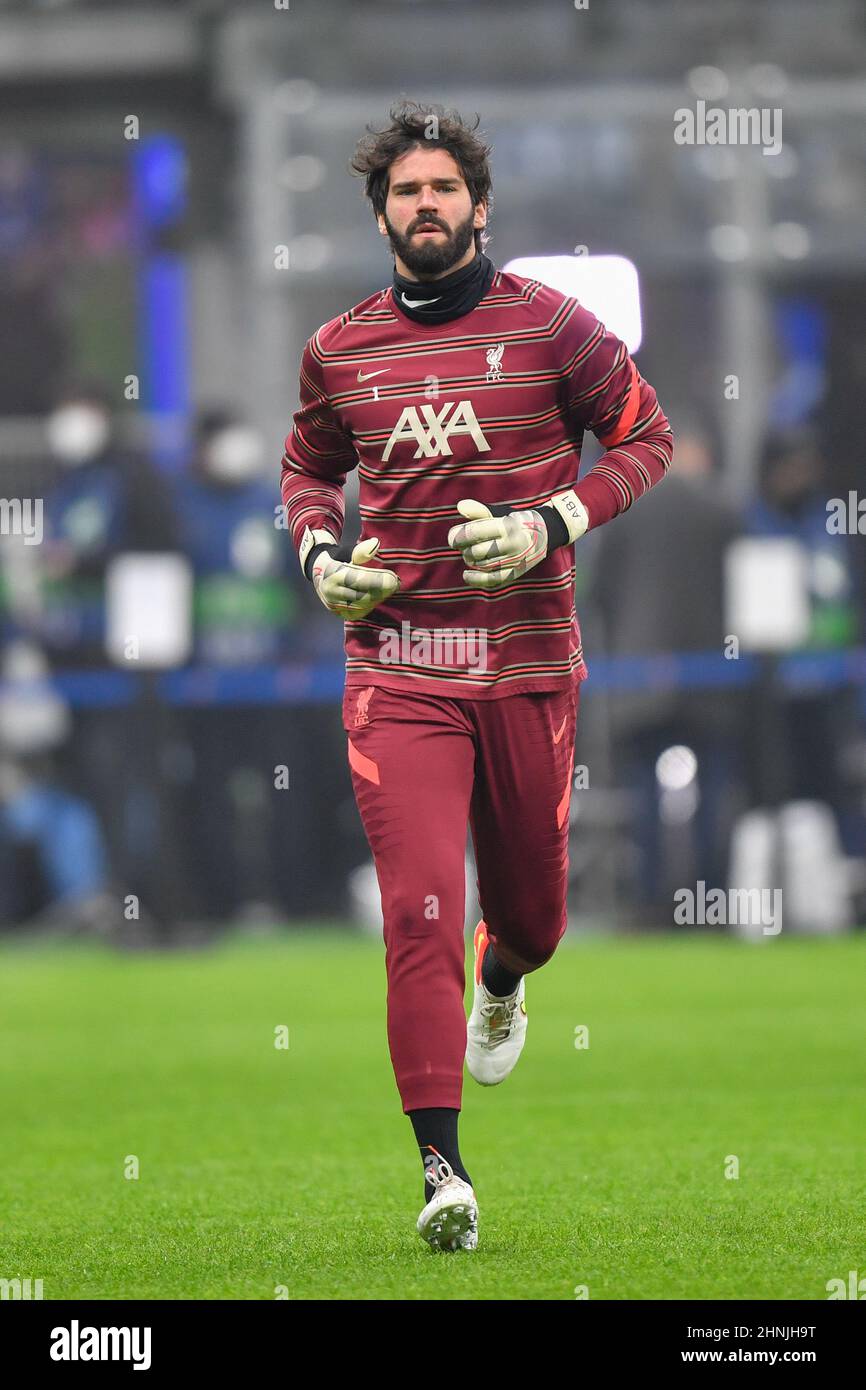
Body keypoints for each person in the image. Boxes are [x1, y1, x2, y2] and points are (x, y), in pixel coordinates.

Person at [278, 101, 673, 1251]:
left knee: (534, 916)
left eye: (443, 188)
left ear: (479, 206)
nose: (426, 206)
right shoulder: (337, 346)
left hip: (528, 662)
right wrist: (317, 556)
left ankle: (505, 975)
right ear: (381, 215)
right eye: (405, 192)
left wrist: (554, 518)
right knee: (415, 906)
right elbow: (305, 468)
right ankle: (440, 1170)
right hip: (398, 668)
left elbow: (645, 438)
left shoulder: (556, 327)